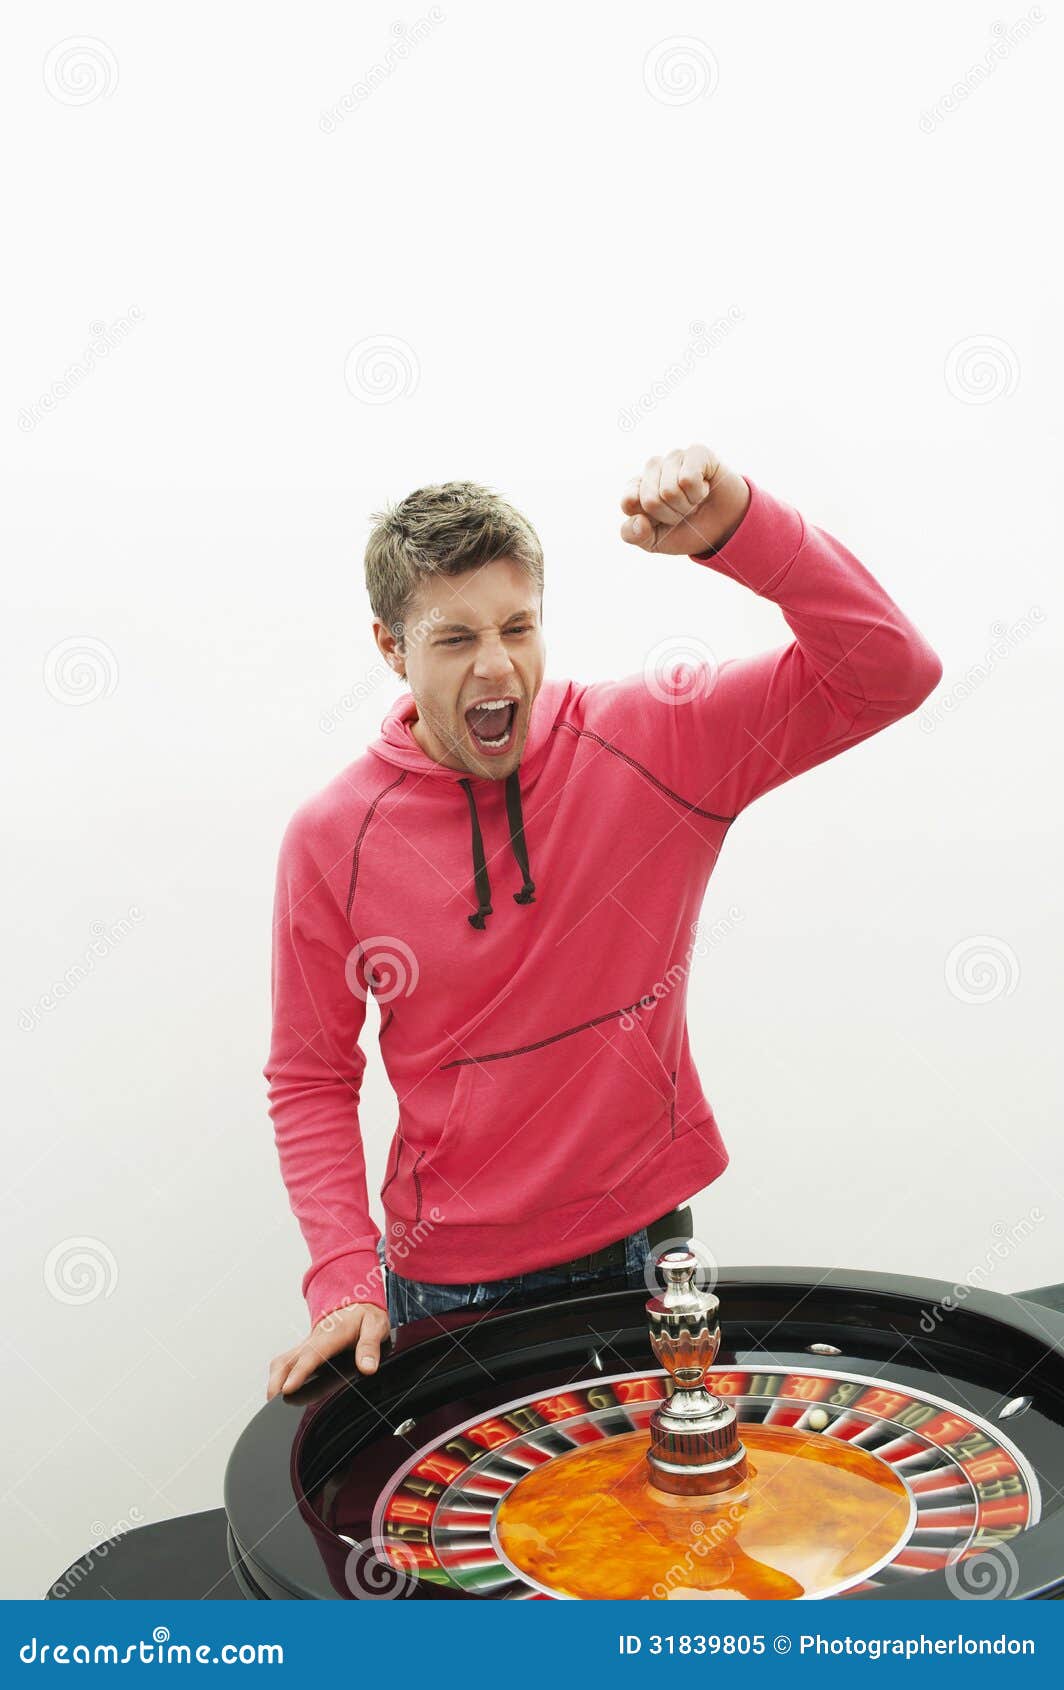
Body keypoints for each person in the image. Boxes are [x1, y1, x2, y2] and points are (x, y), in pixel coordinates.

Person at [265, 444, 941, 1400]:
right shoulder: (332, 838)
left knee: (682, 1529)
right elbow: (310, 1077)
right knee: (478, 1548)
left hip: (647, 1250)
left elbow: (890, 671)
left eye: (518, 626)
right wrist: (341, 1272)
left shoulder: (654, 739)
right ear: (391, 649)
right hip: (451, 1283)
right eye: (455, 639)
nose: (497, 665)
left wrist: (743, 530)